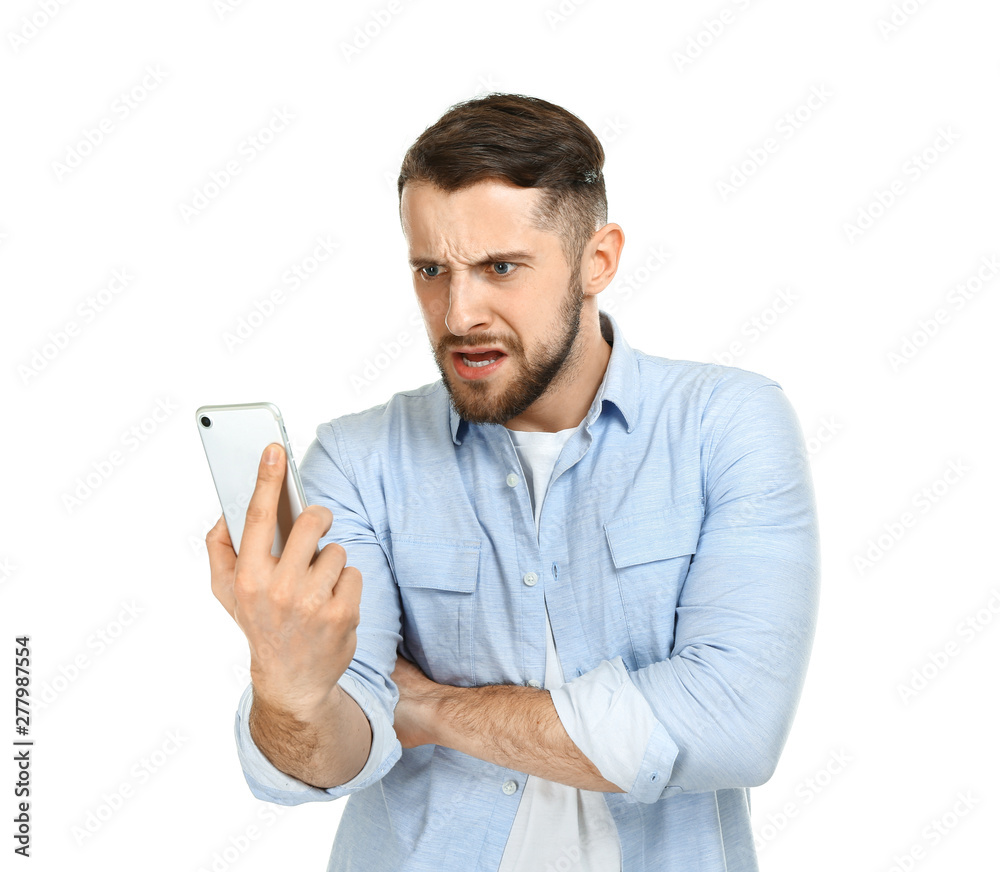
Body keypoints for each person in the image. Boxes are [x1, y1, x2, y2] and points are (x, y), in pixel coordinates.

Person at [207, 93, 820, 871]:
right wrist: (289, 687)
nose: (459, 313)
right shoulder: (360, 459)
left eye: (501, 268)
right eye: (431, 270)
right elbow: (336, 751)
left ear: (598, 260)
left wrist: (426, 705)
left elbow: (732, 724)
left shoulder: (727, 424)